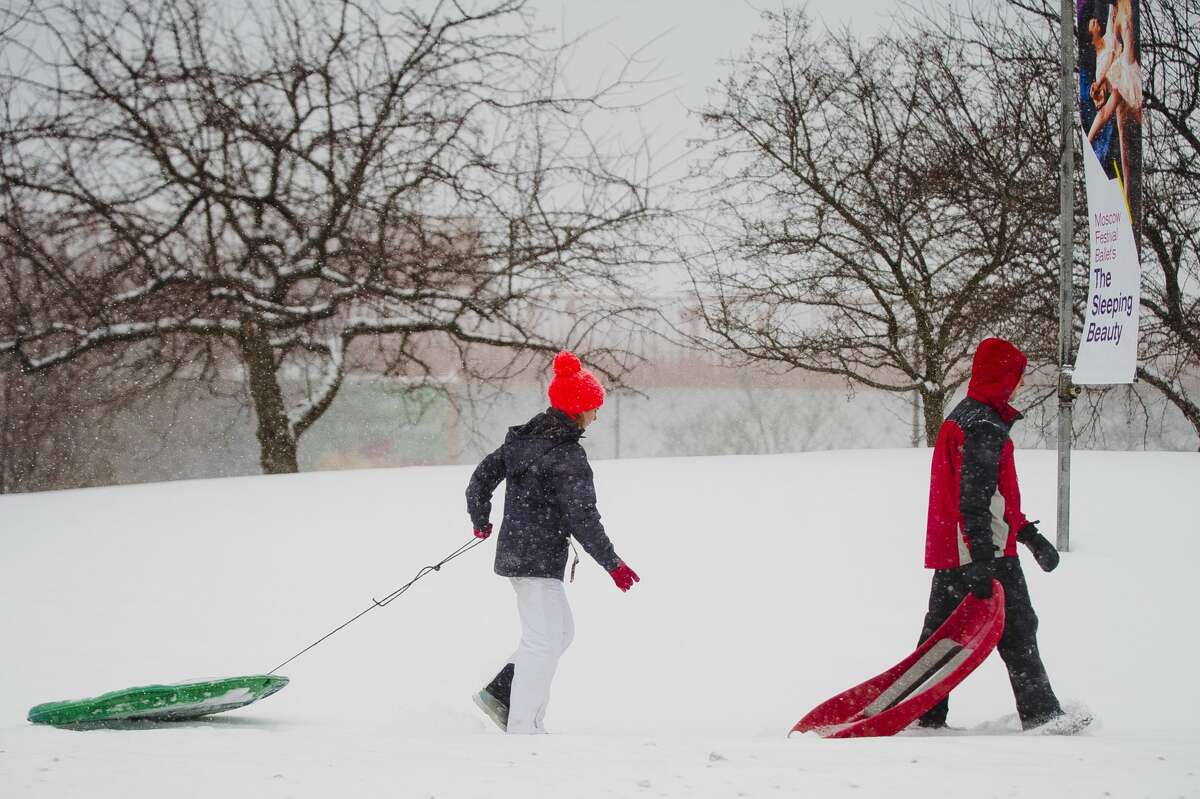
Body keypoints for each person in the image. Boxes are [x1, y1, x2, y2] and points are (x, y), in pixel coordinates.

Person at [466, 350, 639, 734]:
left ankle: (500, 694)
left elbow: (480, 479)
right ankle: (523, 725)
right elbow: (583, 518)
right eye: (594, 407)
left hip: (524, 553)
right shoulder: (567, 455)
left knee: (560, 634)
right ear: (577, 410)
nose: (597, 414)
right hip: (536, 558)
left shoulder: (524, 440)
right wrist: (613, 564)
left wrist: (481, 519)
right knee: (543, 642)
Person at [916, 337, 1066, 731]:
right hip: (983, 551)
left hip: (957, 548)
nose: (1018, 385)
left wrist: (1030, 538)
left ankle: (923, 714)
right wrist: (983, 560)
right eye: (1016, 377)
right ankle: (1043, 715)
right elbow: (975, 501)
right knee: (1019, 630)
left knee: (941, 639)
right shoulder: (983, 426)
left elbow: (991, 497)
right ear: (1001, 377)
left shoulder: (965, 416)